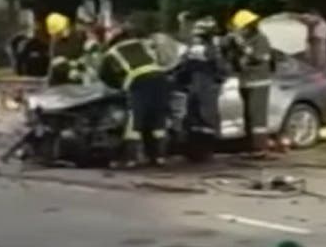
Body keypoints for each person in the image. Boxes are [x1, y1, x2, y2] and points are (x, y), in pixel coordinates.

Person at [98, 24, 168, 167]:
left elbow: (103, 76)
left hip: (139, 83)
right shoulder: (142, 44)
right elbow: (161, 58)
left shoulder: (112, 53)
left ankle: (131, 159)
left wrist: (120, 86)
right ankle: (159, 157)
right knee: (157, 119)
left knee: (134, 122)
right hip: (160, 79)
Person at [176, 16, 227, 156]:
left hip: (201, 89)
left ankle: (203, 148)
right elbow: (222, 70)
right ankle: (201, 148)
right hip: (200, 89)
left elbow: (221, 70)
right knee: (200, 118)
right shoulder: (210, 51)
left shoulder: (205, 51)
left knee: (203, 118)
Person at [226, 9, 273, 156]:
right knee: (248, 116)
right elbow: (234, 61)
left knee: (257, 116)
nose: (240, 31)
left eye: (242, 28)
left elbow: (262, 57)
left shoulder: (261, 39)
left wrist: (244, 48)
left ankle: (260, 148)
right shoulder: (241, 42)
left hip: (259, 83)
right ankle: (250, 146)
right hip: (245, 82)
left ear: (249, 26)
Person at [46, 12, 89, 85]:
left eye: (57, 34)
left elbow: (86, 59)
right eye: (54, 35)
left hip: (76, 79)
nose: (55, 37)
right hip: (58, 80)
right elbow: (51, 62)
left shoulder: (79, 36)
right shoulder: (54, 40)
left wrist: (71, 64)